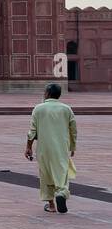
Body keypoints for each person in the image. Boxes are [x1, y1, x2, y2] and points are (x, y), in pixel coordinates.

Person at [26, 83, 77, 214]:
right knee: (62, 172)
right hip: (61, 147)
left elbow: (32, 131)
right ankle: (62, 193)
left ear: (47, 93)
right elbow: (73, 130)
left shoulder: (38, 109)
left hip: (44, 148)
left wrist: (28, 147)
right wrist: (73, 146)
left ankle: (51, 205)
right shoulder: (66, 109)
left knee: (46, 174)